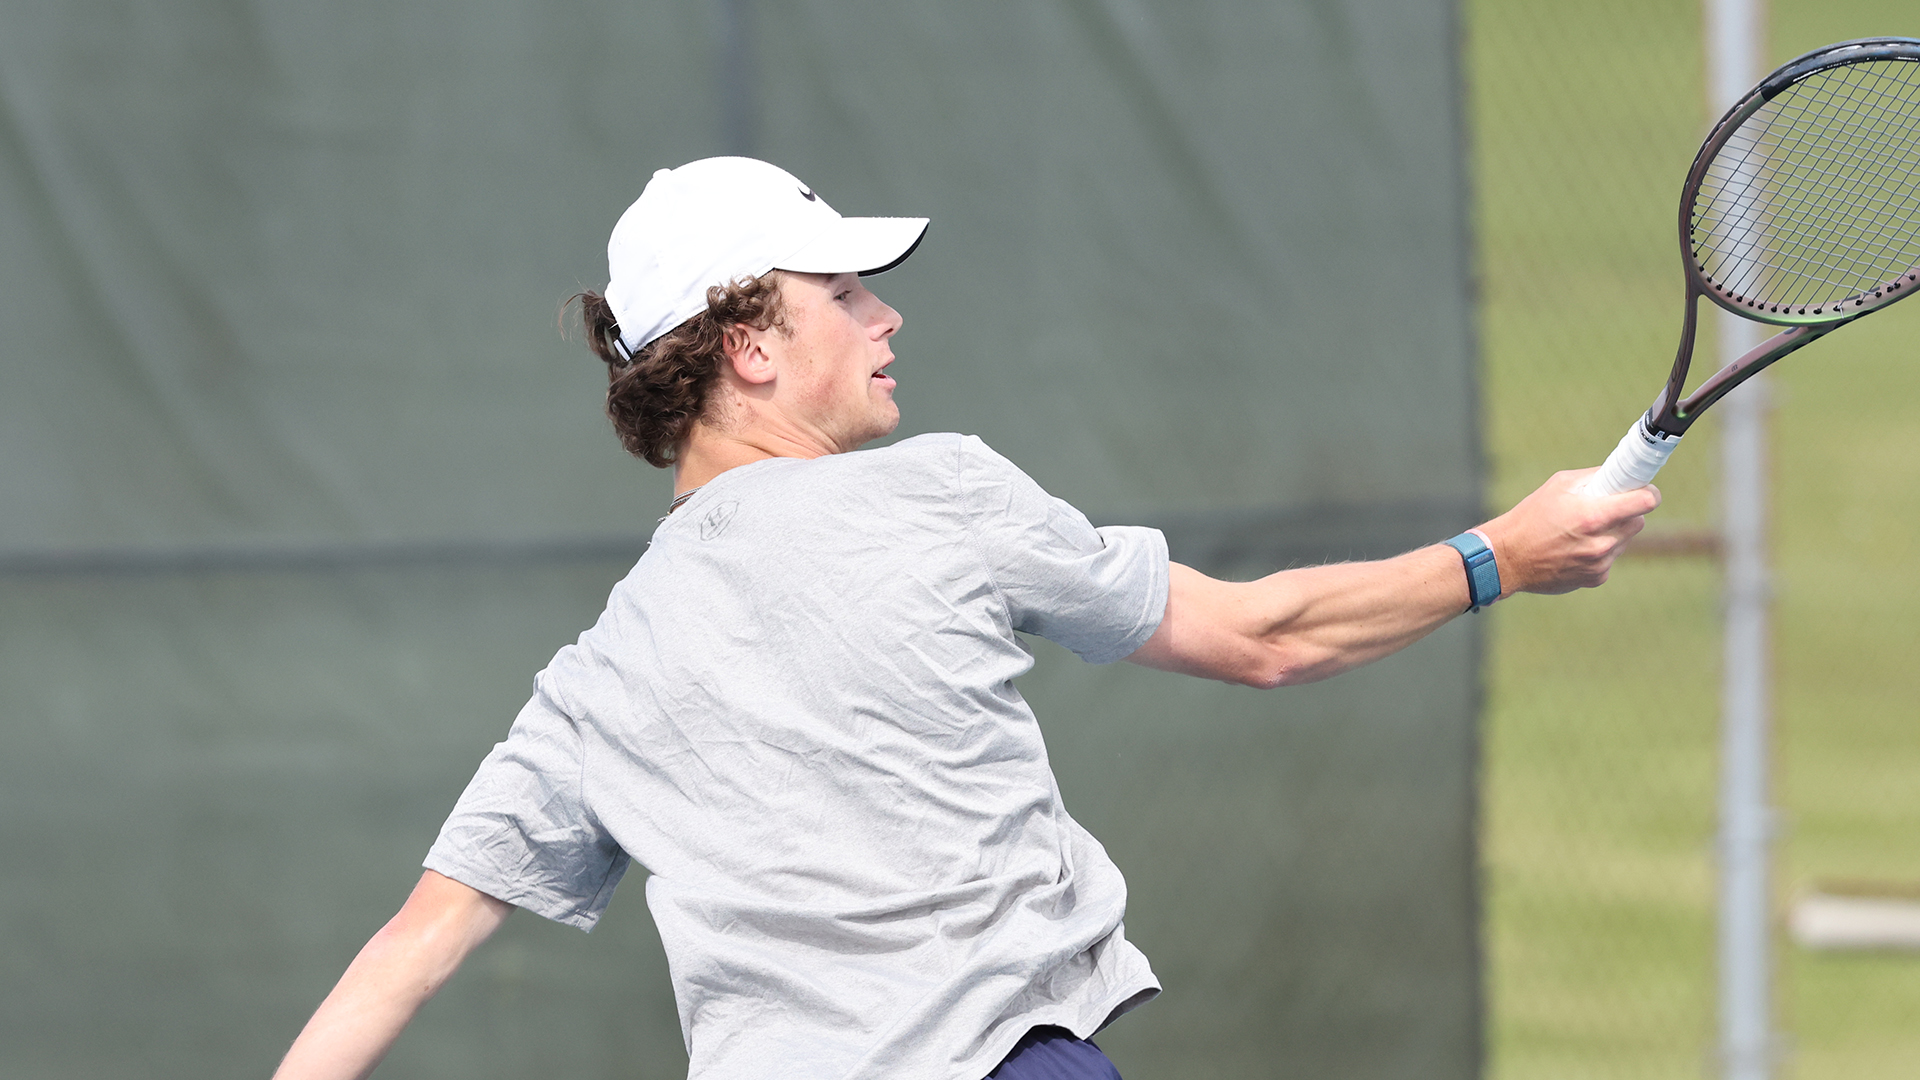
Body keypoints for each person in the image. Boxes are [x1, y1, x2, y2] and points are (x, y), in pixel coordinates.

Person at [271, 157, 1655, 1080]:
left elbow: (411, 948)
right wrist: (1505, 556)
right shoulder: (942, 493)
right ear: (750, 346)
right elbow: (1266, 637)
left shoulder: (594, 681)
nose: (887, 318)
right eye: (844, 292)